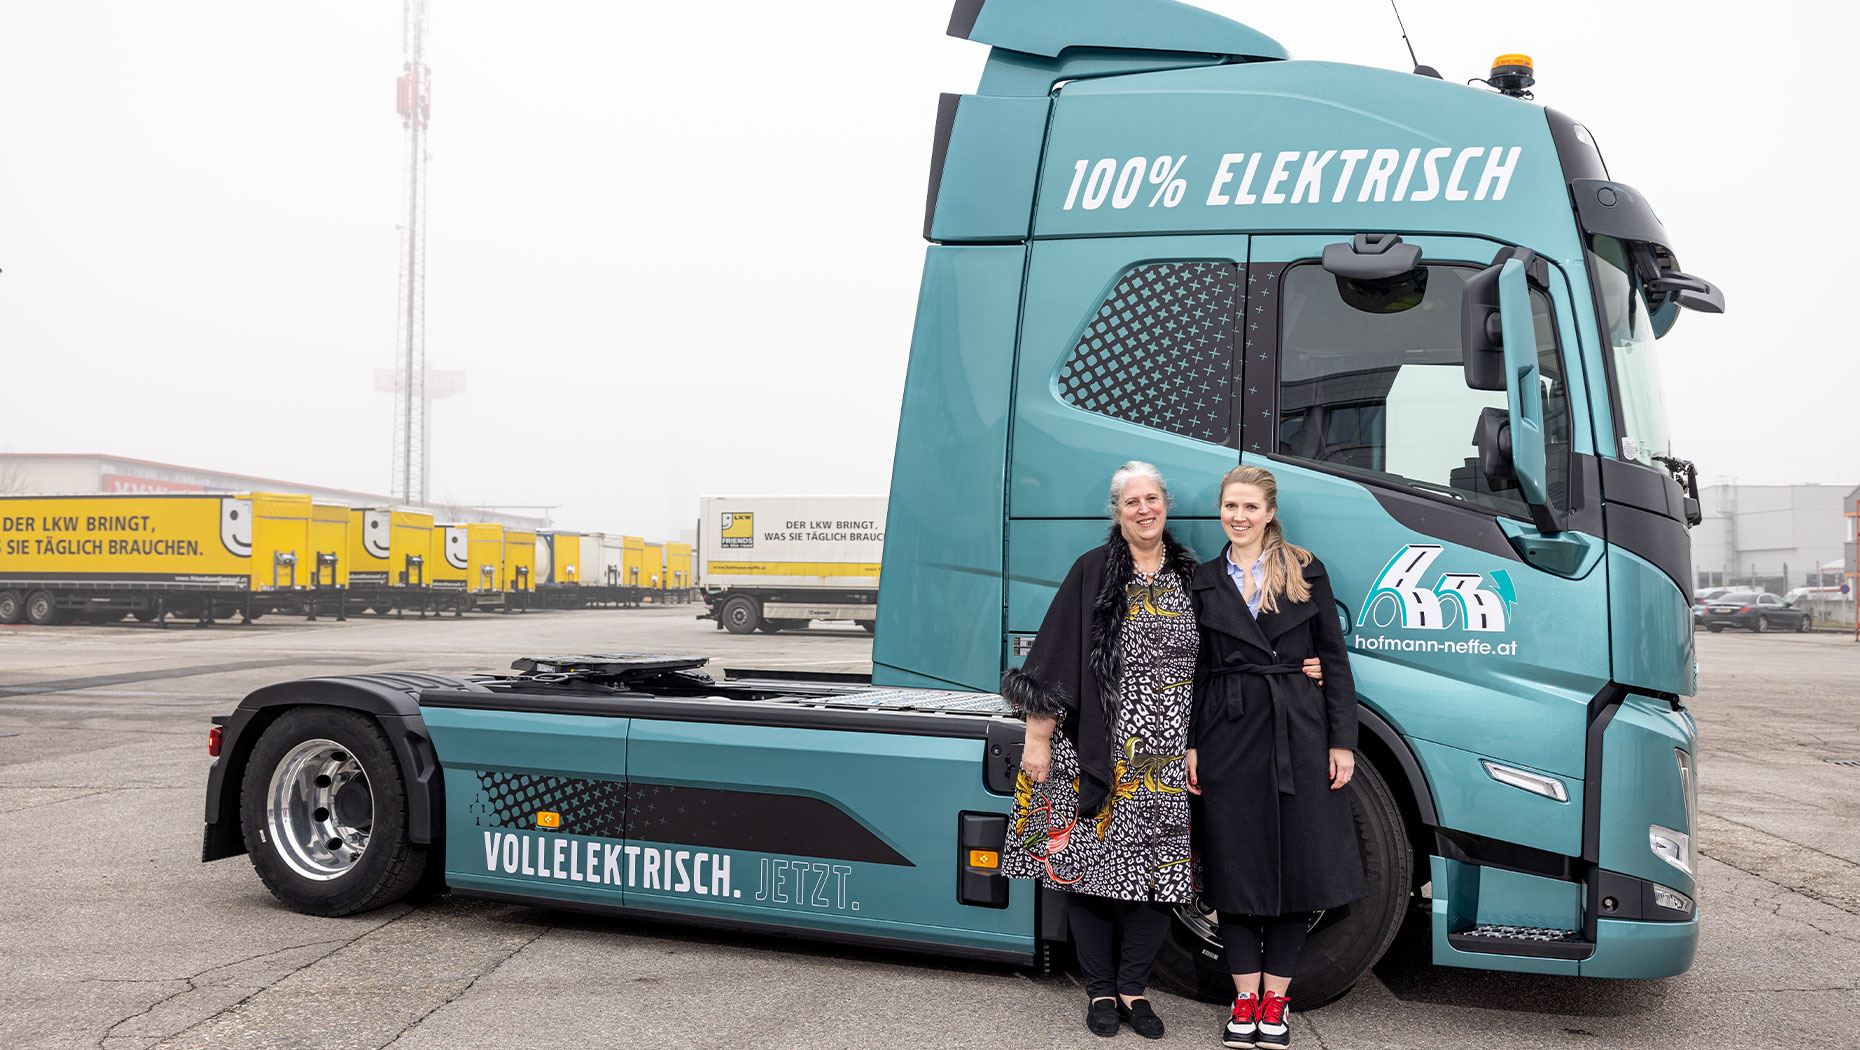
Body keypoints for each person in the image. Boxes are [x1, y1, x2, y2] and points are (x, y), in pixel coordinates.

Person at [998, 460, 1202, 1040]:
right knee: (1086, 875)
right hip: (1094, 749)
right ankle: (1099, 990)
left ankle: (1135, 988)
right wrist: (1037, 738)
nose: (1144, 509)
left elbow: (1219, 663)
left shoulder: (1192, 577)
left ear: (1166, 505)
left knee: (1157, 878)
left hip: (1164, 758)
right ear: (1117, 512)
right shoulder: (1093, 571)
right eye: (1132, 501)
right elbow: (1054, 656)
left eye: (1153, 498)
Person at [1186, 465, 1365, 1050]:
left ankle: (1274, 1001)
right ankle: (1243, 997)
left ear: (1269, 512)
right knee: (1235, 868)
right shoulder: (1205, 579)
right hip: (1228, 734)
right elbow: (1195, 669)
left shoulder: (1305, 570)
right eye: (1230, 507)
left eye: (1249, 508)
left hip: (1300, 731)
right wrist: (1190, 742)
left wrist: (1342, 741)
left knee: (1298, 869)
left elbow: (1333, 660)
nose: (1238, 517)